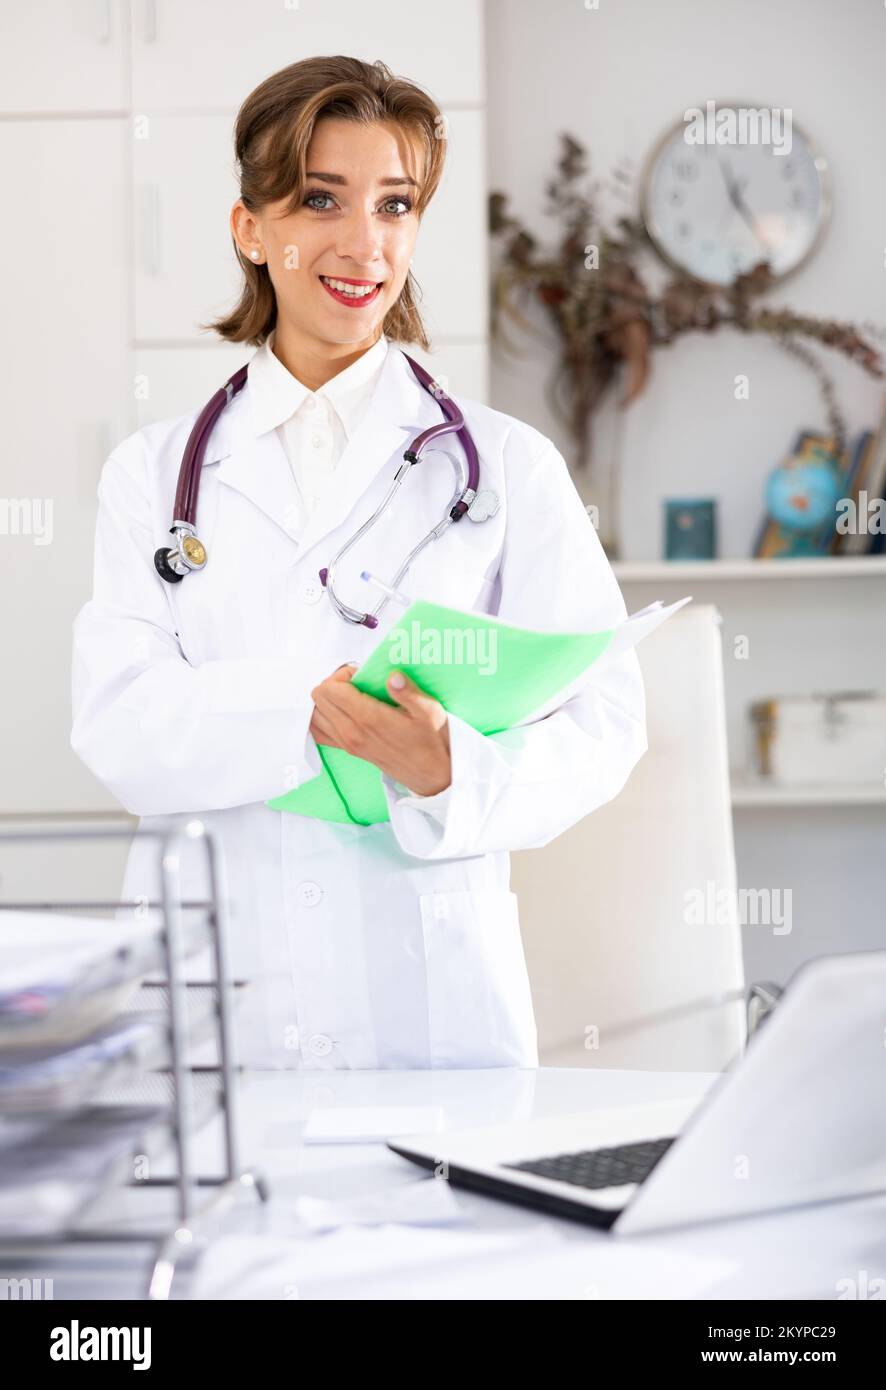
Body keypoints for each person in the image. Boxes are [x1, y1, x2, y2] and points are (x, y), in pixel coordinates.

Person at [71, 55, 647, 1071]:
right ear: (251, 228)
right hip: (219, 1006)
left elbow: (604, 723)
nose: (362, 243)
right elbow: (119, 726)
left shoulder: (508, 465)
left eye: (394, 203)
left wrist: (449, 771)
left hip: (430, 1000)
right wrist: (314, 706)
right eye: (318, 200)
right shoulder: (153, 473)